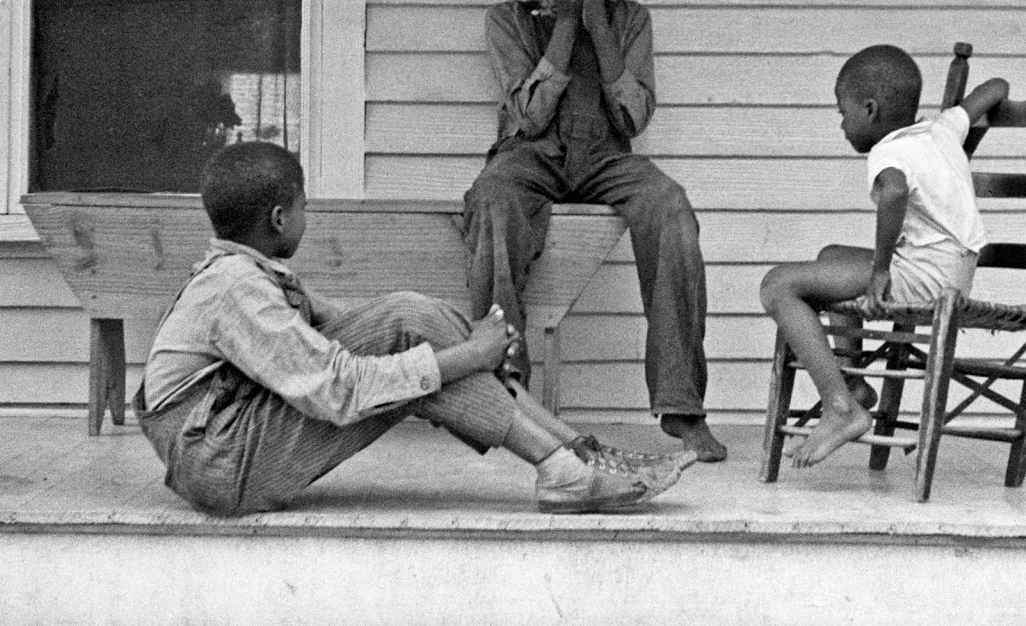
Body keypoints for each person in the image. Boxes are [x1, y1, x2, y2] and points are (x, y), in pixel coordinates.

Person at [136, 140, 694, 517]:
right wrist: (470, 356)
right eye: (304, 207)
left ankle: (576, 459)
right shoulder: (235, 288)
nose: (308, 217)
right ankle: (569, 467)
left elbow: (352, 325)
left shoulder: (248, 271)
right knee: (413, 338)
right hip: (218, 461)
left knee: (412, 320)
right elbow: (340, 389)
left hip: (229, 440)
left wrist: (452, 339)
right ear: (280, 218)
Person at [462, 0, 726, 463]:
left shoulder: (631, 20)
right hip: (532, 155)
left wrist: (597, 25)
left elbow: (632, 117)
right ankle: (504, 390)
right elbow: (529, 118)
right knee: (491, 199)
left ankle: (682, 407)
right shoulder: (508, 18)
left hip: (606, 156)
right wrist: (563, 24)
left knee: (671, 205)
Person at [758, 44, 1008, 468]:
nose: (841, 124)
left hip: (926, 278)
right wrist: (967, 126)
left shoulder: (889, 153)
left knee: (777, 286)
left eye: (843, 112)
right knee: (830, 255)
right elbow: (997, 87)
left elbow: (893, 191)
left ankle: (840, 407)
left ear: (870, 110)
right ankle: (853, 381)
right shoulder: (943, 129)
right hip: (954, 270)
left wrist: (879, 272)